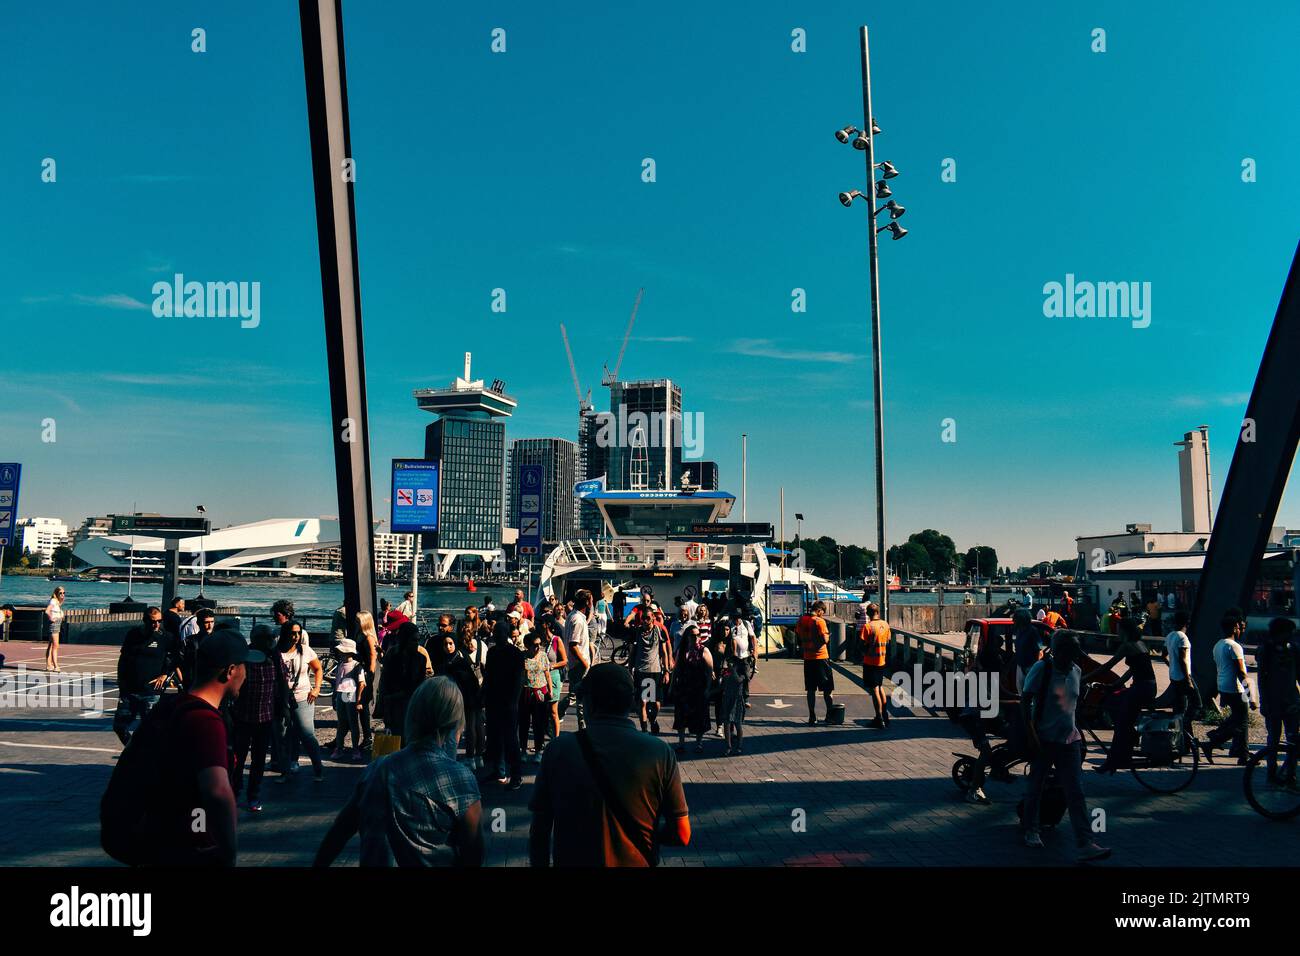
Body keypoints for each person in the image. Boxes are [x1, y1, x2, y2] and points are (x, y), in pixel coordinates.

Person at [529, 663, 691, 867]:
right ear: (629, 701)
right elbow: (682, 834)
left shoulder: (559, 750)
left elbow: (540, 831)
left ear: (590, 702)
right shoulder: (659, 753)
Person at [315, 677, 484, 867]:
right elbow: (473, 853)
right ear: (454, 722)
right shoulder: (460, 779)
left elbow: (340, 831)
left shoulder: (377, 770)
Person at [152, 628, 263, 865]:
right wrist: (228, 852)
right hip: (191, 849)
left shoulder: (169, 707)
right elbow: (216, 792)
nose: (247, 676)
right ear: (230, 671)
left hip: (160, 839)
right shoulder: (206, 721)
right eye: (245, 667)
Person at [1021, 631, 1111, 862]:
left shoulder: (1076, 671)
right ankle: (1031, 828)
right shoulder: (1042, 669)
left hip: (1069, 739)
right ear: (1059, 650)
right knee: (1036, 786)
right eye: (1072, 651)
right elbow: (1026, 700)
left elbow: (1071, 705)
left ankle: (1085, 842)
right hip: (1043, 738)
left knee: (1076, 792)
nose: (1076, 657)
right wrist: (1031, 734)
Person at [1094, 620, 1157, 774]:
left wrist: (1085, 678)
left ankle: (1112, 761)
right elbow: (1132, 671)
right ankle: (1128, 741)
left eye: (1119, 630)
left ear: (1125, 632)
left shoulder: (1127, 646)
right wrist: (1114, 685)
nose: (1117, 633)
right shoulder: (1140, 644)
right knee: (1117, 704)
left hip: (1141, 688)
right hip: (1148, 687)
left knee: (1121, 724)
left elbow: (1108, 666)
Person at [113, 607, 183, 745]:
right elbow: (123, 659)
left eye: (159, 621)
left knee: (152, 729)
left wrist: (165, 675)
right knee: (119, 726)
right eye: (153, 622)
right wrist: (121, 681)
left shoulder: (166, 637)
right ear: (145, 621)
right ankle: (133, 750)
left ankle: (150, 759)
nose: (156, 625)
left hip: (151, 692)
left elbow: (176, 659)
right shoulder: (133, 635)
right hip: (129, 690)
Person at [231, 624, 281, 812]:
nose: (271, 641)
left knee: (259, 759)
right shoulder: (244, 658)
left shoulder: (274, 657)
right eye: (268, 638)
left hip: (265, 717)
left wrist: (283, 707)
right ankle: (235, 791)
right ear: (258, 639)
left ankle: (253, 794)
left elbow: (281, 683)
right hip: (243, 717)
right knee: (238, 759)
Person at [1201, 611, 1256, 764]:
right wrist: (1251, 696)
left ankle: (1241, 753)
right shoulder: (1234, 646)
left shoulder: (1218, 645)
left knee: (1237, 719)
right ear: (1233, 628)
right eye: (1239, 627)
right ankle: (1214, 741)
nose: (1240, 630)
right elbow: (1241, 673)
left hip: (1223, 686)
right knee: (1242, 721)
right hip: (1236, 688)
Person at [276, 620, 325, 783]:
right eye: (292, 633)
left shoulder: (305, 651)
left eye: (298, 633)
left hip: (303, 696)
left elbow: (318, 668)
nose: (296, 636)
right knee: (283, 736)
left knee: (307, 733)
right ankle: (285, 771)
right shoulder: (276, 652)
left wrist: (316, 688)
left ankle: (318, 769)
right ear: (285, 634)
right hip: (281, 699)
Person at [1255, 617, 1299, 784]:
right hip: (1273, 701)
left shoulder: (1294, 650)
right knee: (1273, 738)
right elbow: (1261, 679)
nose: (1291, 636)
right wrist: (1263, 701)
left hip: (1292, 701)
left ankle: (1291, 773)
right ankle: (1271, 773)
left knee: (1293, 738)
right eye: (1289, 633)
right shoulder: (1266, 650)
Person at [484, 621, 525, 789]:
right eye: (496, 632)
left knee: (510, 740)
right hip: (493, 700)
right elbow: (488, 675)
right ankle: (499, 770)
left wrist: (514, 701)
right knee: (495, 737)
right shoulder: (492, 652)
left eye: (500, 632)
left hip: (509, 701)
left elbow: (519, 679)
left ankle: (516, 774)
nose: (497, 635)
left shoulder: (515, 653)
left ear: (506, 634)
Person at [376, 622, 433, 740]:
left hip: (411, 704)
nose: (417, 643)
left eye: (418, 640)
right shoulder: (392, 655)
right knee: (395, 739)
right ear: (404, 639)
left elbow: (419, 684)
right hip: (394, 705)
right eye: (413, 640)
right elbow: (385, 682)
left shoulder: (420, 658)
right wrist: (384, 704)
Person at [671, 622, 713, 754]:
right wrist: (672, 686)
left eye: (698, 635)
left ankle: (699, 743)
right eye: (693, 635)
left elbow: (709, 671)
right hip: (683, 686)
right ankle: (681, 743)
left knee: (699, 716)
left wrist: (707, 689)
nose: (696, 638)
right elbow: (676, 669)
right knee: (681, 715)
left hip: (698, 688)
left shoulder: (704, 650)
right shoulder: (682, 650)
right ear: (687, 636)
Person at [631, 603, 673, 734]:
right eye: (643, 618)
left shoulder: (659, 630)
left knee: (656, 703)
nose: (645, 621)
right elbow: (632, 652)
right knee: (643, 702)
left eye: (648, 618)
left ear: (653, 617)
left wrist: (666, 671)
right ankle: (644, 730)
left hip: (655, 671)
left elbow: (664, 652)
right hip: (641, 670)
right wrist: (630, 669)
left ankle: (653, 720)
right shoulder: (637, 631)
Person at [795, 601, 835, 725]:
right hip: (821, 658)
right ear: (819, 610)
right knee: (827, 689)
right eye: (822, 612)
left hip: (808, 657)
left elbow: (798, 635)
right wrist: (828, 635)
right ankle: (829, 714)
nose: (822, 615)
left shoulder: (802, 620)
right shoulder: (819, 621)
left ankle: (812, 715)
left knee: (811, 689)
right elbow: (825, 640)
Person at [330, 638, 367, 761]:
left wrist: (359, 700)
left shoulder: (356, 666)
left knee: (352, 722)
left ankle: (354, 748)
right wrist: (335, 695)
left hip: (350, 694)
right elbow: (337, 682)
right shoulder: (341, 664)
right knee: (342, 722)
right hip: (342, 693)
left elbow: (362, 683)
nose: (339, 653)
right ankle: (340, 747)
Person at [562, 590, 594, 729]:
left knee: (576, 695)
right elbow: (573, 645)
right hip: (578, 665)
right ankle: (582, 726)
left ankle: (582, 724)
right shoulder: (578, 620)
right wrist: (585, 663)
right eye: (591, 600)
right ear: (587, 602)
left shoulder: (572, 616)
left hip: (575, 664)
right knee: (577, 697)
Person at [520, 630, 553, 760]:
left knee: (539, 723)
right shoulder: (522, 656)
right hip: (526, 691)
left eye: (539, 644)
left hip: (540, 691)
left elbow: (547, 673)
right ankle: (523, 750)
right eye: (535, 645)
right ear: (528, 645)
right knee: (524, 722)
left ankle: (538, 750)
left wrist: (550, 691)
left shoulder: (543, 656)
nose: (538, 647)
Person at [459, 623, 488, 769]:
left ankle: (470, 756)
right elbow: (486, 665)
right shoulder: (481, 646)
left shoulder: (459, 648)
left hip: (466, 688)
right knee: (480, 723)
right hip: (480, 687)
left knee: (469, 724)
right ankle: (479, 756)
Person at [1161, 610, 1197, 726]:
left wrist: (1172, 666)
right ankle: (1183, 727)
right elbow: (1183, 660)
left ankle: (1180, 732)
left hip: (1173, 676)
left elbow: (1163, 656)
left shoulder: (1170, 636)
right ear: (1187, 622)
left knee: (1178, 706)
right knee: (1196, 704)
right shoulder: (1183, 638)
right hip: (1183, 677)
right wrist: (1188, 680)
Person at [860, 602, 891, 729]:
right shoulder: (885, 624)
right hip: (882, 660)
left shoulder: (868, 627)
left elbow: (862, 645)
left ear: (868, 613)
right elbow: (888, 641)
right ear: (878, 612)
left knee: (874, 689)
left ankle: (879, 718)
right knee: (880, 686)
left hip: (870, 661)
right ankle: (885, 714)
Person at [721, 621, 749, 756]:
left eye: (734, 646)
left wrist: (732, 670)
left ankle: (739, 746)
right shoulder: (725, 660)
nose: (732, 648)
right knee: (726, 722)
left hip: (737, 697)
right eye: (730, 646)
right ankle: (727, 746)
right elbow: (722, 678)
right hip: (727, 695)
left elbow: (741, 679)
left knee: (737, 723)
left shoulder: (741, 662)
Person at [354, 610, 380, 750]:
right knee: (360, 704)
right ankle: (366, 736)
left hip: (366, 672)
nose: (356, 623)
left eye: (358, 621)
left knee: (363, 703)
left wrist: (370, 673)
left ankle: (367, 737)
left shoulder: (368, 637)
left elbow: (372, 656)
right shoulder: (360, 635)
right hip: (361, 670)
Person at [180, 608, 215, 693]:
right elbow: (179, 661)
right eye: (206, 622)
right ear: (198, 623)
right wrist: (184, 681)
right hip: (193, 683)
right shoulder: (189, 641)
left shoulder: (218, 640)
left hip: (211, 683)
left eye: (212, 622)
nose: (210, 626)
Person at [1012, 610, 1042, 692]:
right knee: (1021, 692)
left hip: (1030, 667)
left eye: (1015, 619)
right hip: (1020, 666)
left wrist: (1035, 669)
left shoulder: (1033, 631)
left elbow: (1039, 650)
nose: (1013, 621)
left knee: (1029, 693)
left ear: (1021, 620)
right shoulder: (1019, 631)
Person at [43, 586, 66, 673]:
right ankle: (56, 666)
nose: (62, 595)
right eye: (60, 593)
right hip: (54, 624)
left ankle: (49, 665)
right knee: (56, 646)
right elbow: (47, 611)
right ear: (56, 593)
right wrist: (51, 618)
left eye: (64, 593)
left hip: (57, 623)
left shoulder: (56, 602)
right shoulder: (53, 601)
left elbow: (56, 609)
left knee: (51, 645)